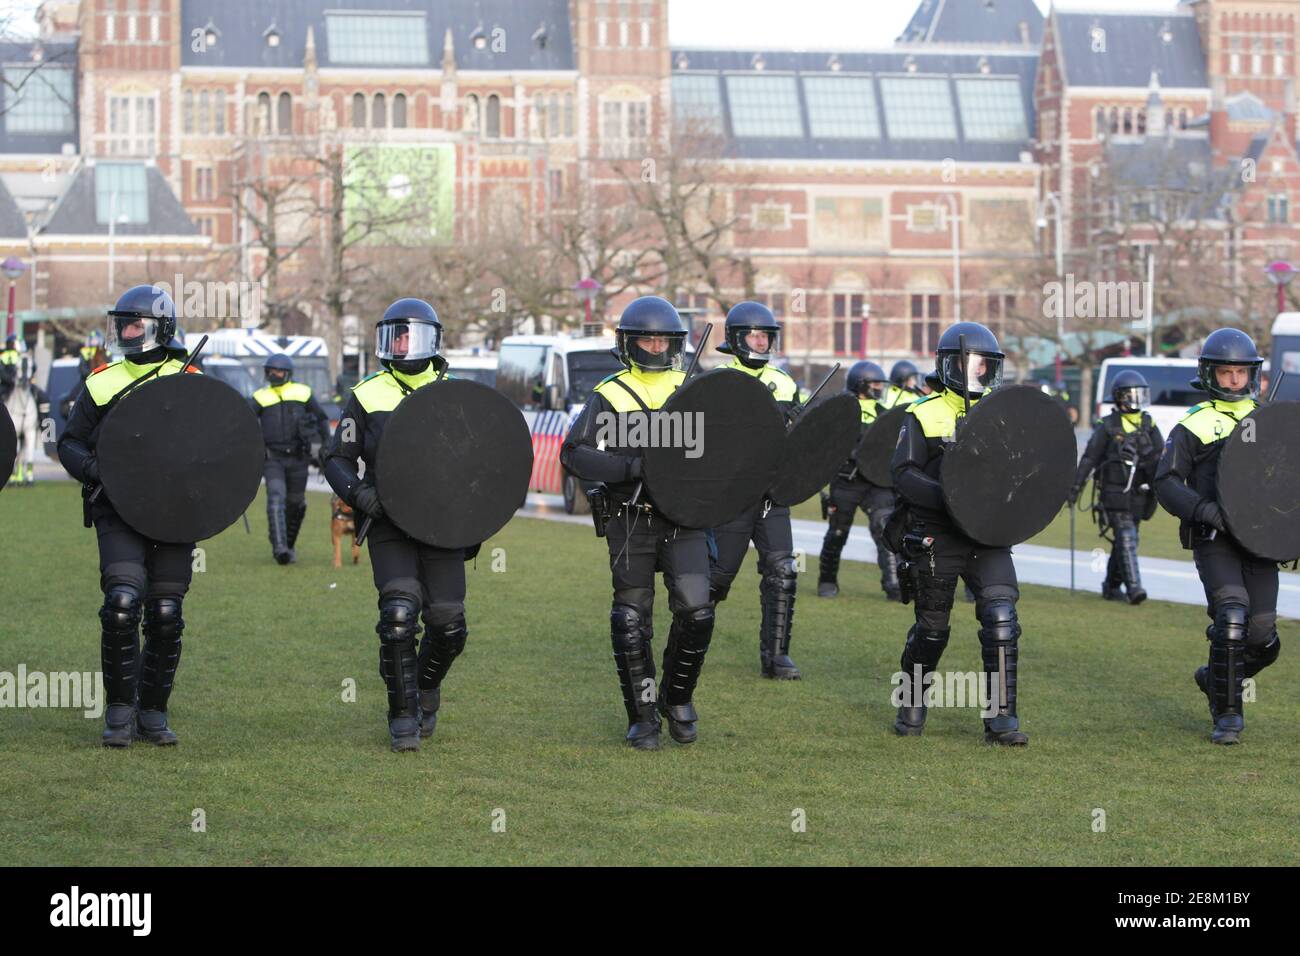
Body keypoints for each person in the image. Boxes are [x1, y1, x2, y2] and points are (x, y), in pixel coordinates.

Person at [559, 296, 715, 750]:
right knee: (631, 619)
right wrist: (631, 470)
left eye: (662, 339)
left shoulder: (694, 388)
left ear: (676, 344)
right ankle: (643, 715)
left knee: (697, 611)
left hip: (685, 519)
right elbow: (575, 453)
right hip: (632, 519)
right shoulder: (609, 394)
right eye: (645, 338)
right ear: (628, 343)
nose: (653, 346)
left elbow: (724, 450)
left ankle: (677, 698)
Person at [325, 298, 471, 752]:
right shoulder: (366, 394)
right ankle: (403, 715)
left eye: (410, 335)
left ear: (432, 339)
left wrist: (476, 521)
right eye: (395, 336)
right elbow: (337, 460)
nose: (402, 345)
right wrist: (360, 495)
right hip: (388, 522)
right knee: (398, 616)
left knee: (449, 626)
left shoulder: (456, 393)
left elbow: (479, 464)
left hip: (443, 525)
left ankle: (426, 686)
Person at [56, 285, 199, 747]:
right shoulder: (100, 381)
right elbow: (69, 443)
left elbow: (219, 442)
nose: (127, 331)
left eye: (136, 323)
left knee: (165, 612)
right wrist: (98, 470)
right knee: (121, 606)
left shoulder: (191, 377)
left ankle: (153, 712)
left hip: (174, 514)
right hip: (117, 510)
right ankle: (119, 711)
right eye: (123, 323)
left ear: (161, 327)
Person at [889, 322, 1028, 746]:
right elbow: (903, 474)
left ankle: (1002, 718)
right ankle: (912, 699)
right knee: (933, 629)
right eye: (969, 362)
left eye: (984, 364)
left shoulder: (1003, 414)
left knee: (1002, 617)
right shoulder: (922, 413)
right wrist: (948, 497)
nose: (977, 370)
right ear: (949, 364)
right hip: (938, 534)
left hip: (987, 536)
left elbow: (1019, 473)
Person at [1155, 328, 1280, 745]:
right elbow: (1167, 482)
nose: (1232, 380)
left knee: (1263, 637)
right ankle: (1228, 715)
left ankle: (1214, 677)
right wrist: (1206, 511)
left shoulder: (1269, 419)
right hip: (1214, 539)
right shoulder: (1192, 424)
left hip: (1260, 543)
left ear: (1252, 375)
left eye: (1239, 373)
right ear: (1210, 374)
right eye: (1225, 372)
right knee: (1231, 617)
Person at [707, 301, 803, 679]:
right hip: (731, 494)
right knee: (718, 576)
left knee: (783, 570)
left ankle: (777, 656)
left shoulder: (786, 383)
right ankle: (689, 640)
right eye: (755, 335)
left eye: (767, 335)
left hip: (773, 495)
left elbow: (796, 441)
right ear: (736, 338)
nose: (762, 342)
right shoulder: (716, 380)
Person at [817, 360, 916, 601]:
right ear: (860, 384)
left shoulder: (884, 414)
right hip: (846, 481)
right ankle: (827, 579)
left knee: (885, 529)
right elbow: (825, 444)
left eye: (880, 383)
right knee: (837, 533)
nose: (878, 387)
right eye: (873, 383)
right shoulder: (842, 409)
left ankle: (894, 585)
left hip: (877, 482)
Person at [1070, 370, 1162, 604]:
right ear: (1119, 398)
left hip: (1140, 495)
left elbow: (1161, 462)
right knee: (1128, 537)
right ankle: (1134, 589)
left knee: (1126, 539)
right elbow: (1090, 458)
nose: (1136, 400)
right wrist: (1075, 487)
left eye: (1140, 395)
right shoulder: (1107, 425)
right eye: (1131, 395)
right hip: (1113, 493)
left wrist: (1148, 453)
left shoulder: (1149, 424)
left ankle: (1111, 586)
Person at [251, 353, 331, 564]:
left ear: (288, 373)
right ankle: (279, 549)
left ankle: (288, 544)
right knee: (276, 498)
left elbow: (322, 420)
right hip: (272, 459)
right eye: (270, 371)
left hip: (299, 458)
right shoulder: (260, 396)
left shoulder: (303, 393)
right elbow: (245, 424)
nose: (273, 374)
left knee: (297, 504)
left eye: (277, 371)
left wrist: (325, 447)